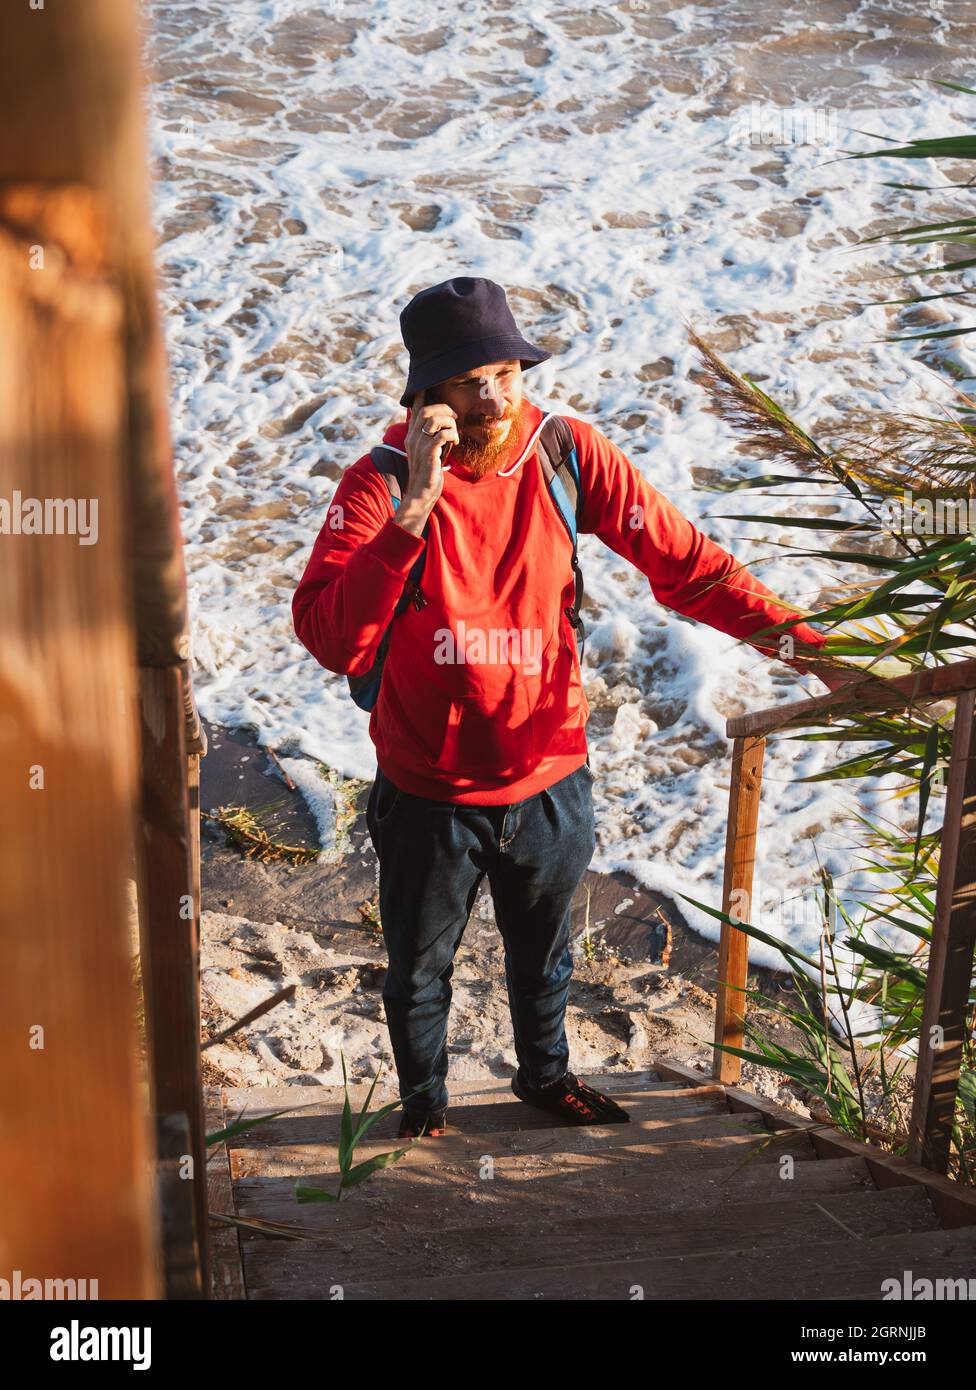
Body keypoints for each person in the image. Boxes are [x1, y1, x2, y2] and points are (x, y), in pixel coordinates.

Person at [292, 275, 840, 1137]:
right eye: (468, 381)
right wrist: (415, 512)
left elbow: (686, 564)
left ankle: (544, 1082)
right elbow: (332, 639)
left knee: (547, 961)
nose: (492, 397)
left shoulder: (566, 454)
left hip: (551, 780)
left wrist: (809, 649)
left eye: (505, 372)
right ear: (425, 393)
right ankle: (424, 1107)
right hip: (428, 792)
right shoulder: (380, 486)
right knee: (417, 974)